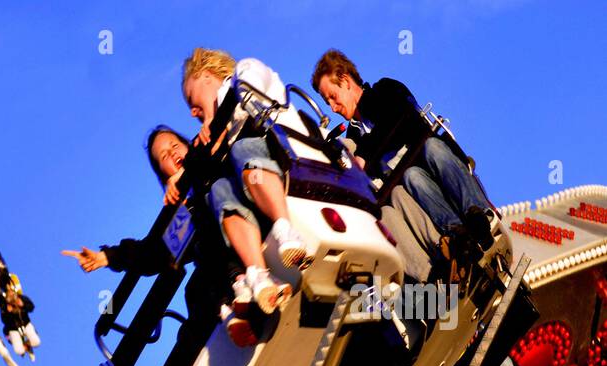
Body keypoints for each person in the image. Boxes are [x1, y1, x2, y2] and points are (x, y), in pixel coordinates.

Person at [63, 124, 255, 351]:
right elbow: (152, 253)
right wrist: (107, 257)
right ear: (164, 175)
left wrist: (190, 172)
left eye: (175, 146)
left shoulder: (212, 154)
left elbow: (222, 166)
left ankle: (238, 288)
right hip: (213, 269)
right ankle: (226, 316)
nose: (173, 153)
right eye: (164, 155)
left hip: (243, 226)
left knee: (208, 241)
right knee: (194, 290)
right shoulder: (180, 216)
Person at [310, 50, 497, 256]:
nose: (333, 108)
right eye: (327, 103)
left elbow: (399, 119)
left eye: (332, 97)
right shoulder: (354, 135)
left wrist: (364, 155)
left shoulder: (385, 90)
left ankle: (479, 215)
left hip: (433, 159)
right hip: (417, 183)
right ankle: (459, 236)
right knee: (411, 177)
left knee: (432, 148)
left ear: (345, 80)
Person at [183, 48, 310, 321]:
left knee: (243, 150)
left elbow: (249, 95)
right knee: (219, 190)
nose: (193, 111)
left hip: (292, 162)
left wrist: (219, 124)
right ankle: (258, 274)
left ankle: (285, 229)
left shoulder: (246, 69)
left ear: (206, 75)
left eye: (192, 100)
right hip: (256, 191)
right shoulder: (220, 133)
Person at [0, 284, 41, 360]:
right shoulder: (4, 306)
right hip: (14, 329)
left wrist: (23, 305)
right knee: (19, 351)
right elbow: (4, 321)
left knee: (37, 342)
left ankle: (28, 345)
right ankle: (25, 348)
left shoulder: (21, 298)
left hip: (25, 324)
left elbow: (31, 307)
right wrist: (8, 313)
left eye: (12, 293)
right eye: (9, 295)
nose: (12, 297)